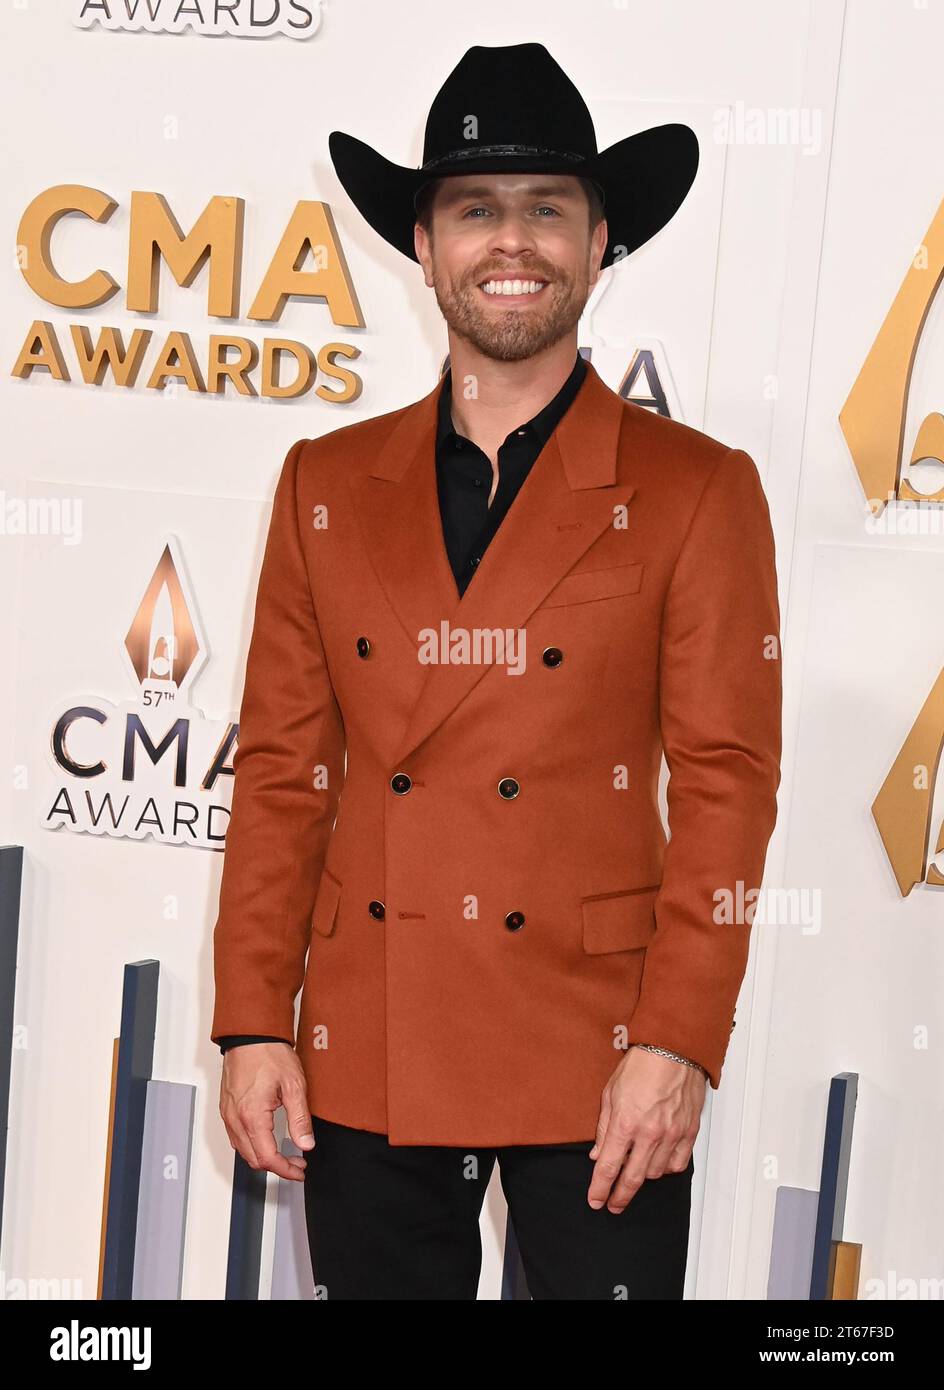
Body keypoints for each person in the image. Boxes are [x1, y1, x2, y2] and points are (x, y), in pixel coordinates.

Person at [210, 42, 782, 1300]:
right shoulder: (322, 484)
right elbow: (281, 774)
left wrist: (679, 1042)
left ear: (597, 243)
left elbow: (727, 786)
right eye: (473, 208)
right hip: (367, 1038)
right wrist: (254, 1018)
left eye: (545, 209)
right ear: (424, 244)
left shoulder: (694, 490)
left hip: (601, 1056)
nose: (508, 242)